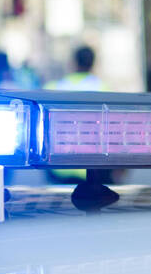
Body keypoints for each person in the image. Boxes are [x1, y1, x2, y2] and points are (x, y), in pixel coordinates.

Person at [45, 45, 107, 184]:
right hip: (91, 167)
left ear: (73, 62)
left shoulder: (54, 88)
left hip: (59, 165)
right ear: (93, 63)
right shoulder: (103, 88)